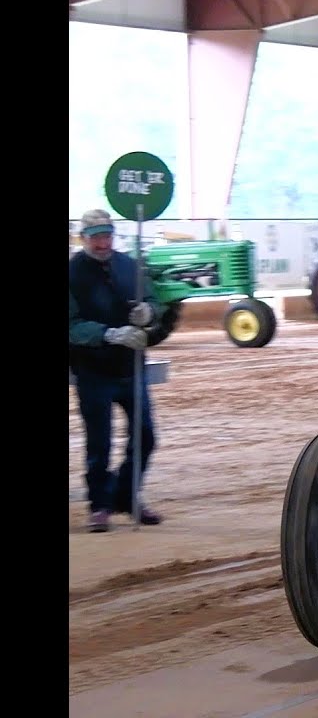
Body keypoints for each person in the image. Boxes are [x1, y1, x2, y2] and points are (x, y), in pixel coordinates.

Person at [69, 209, 166, 532]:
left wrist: (147, 312)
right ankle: (99, 506)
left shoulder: (129, 266)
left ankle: (126, 496)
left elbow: (156, 302)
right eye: (95, 237)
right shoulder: (72, 273)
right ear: (83, 238)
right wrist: (107, 334)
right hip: (93, 372)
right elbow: (71, 325)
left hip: (131, 368)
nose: (102, 243)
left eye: (106, 235)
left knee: (146, 436)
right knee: (100, 443)